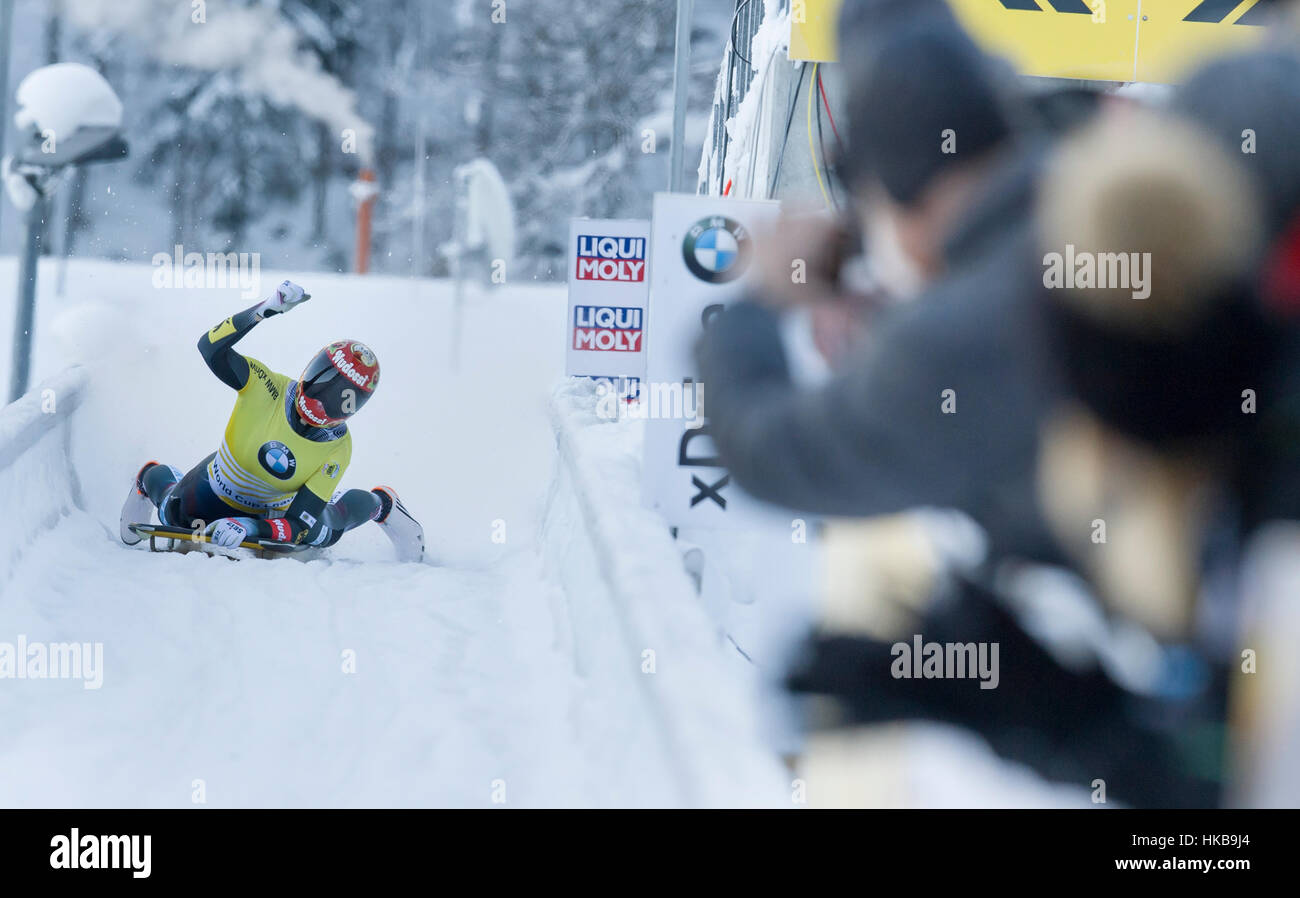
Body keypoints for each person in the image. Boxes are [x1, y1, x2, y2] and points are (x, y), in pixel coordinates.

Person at [118, 280, 424, 561]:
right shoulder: (266, 385)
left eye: (339, 399)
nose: (319, 402)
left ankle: (382, 504)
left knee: (323, 532)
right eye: (320, 381)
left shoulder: (338, 447)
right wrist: (262, 311)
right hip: (217, 485)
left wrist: (250, 528)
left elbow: (296, 525)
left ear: (353, 408)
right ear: (309, 369)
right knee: (173, 515)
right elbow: (209, 348)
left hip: (275, 509)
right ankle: (150, 477)